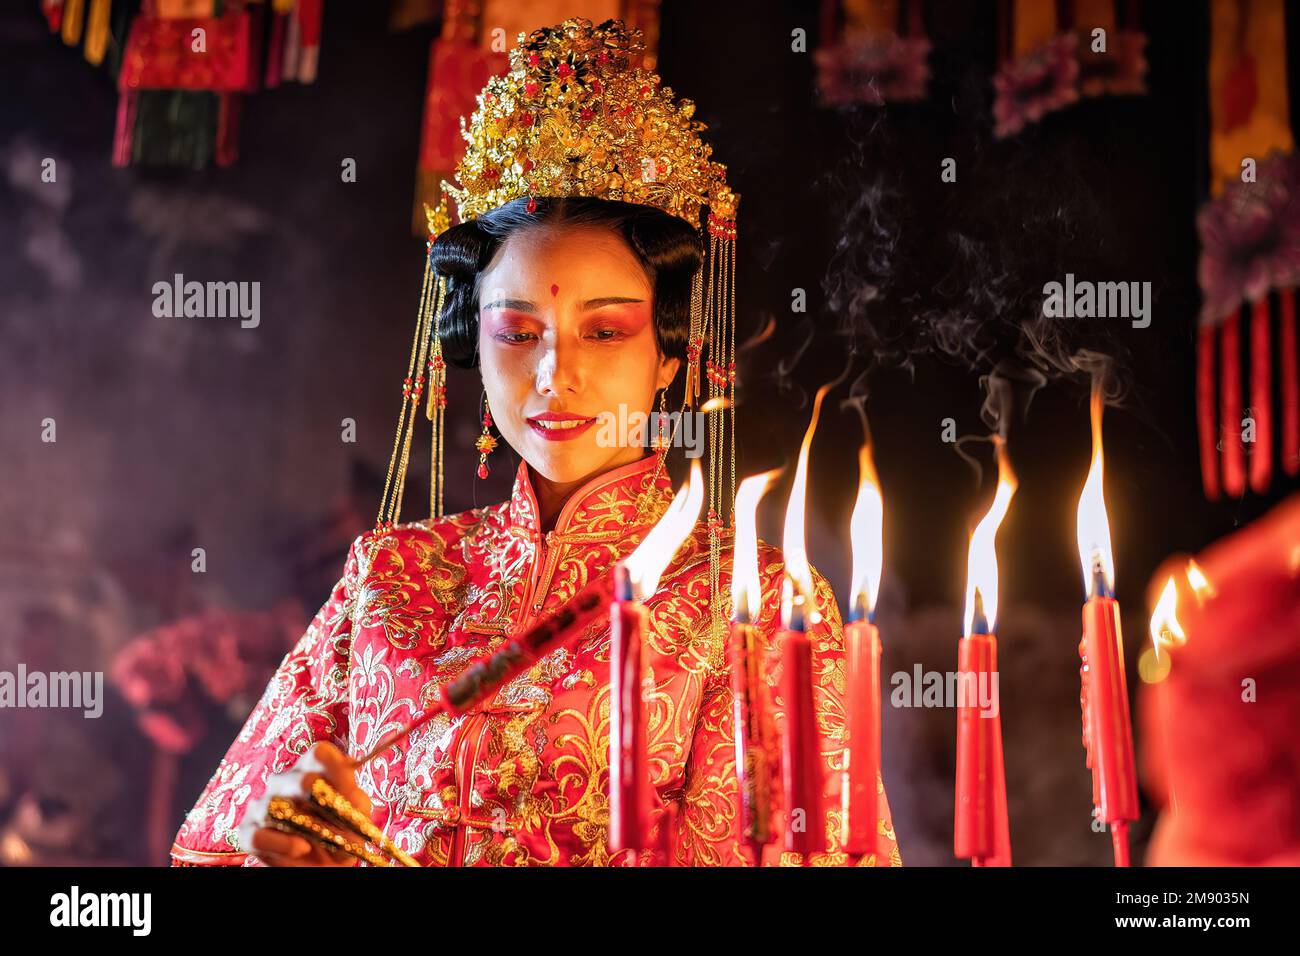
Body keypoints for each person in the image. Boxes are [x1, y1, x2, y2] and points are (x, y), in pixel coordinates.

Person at [170, 17, 901, 868]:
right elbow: (212, 850)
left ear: (670, 356)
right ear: (473, 346)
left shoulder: (755, 604)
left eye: (605, 333)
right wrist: (283, 847)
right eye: (517, 334)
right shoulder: (390, 576)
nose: (556, 375)